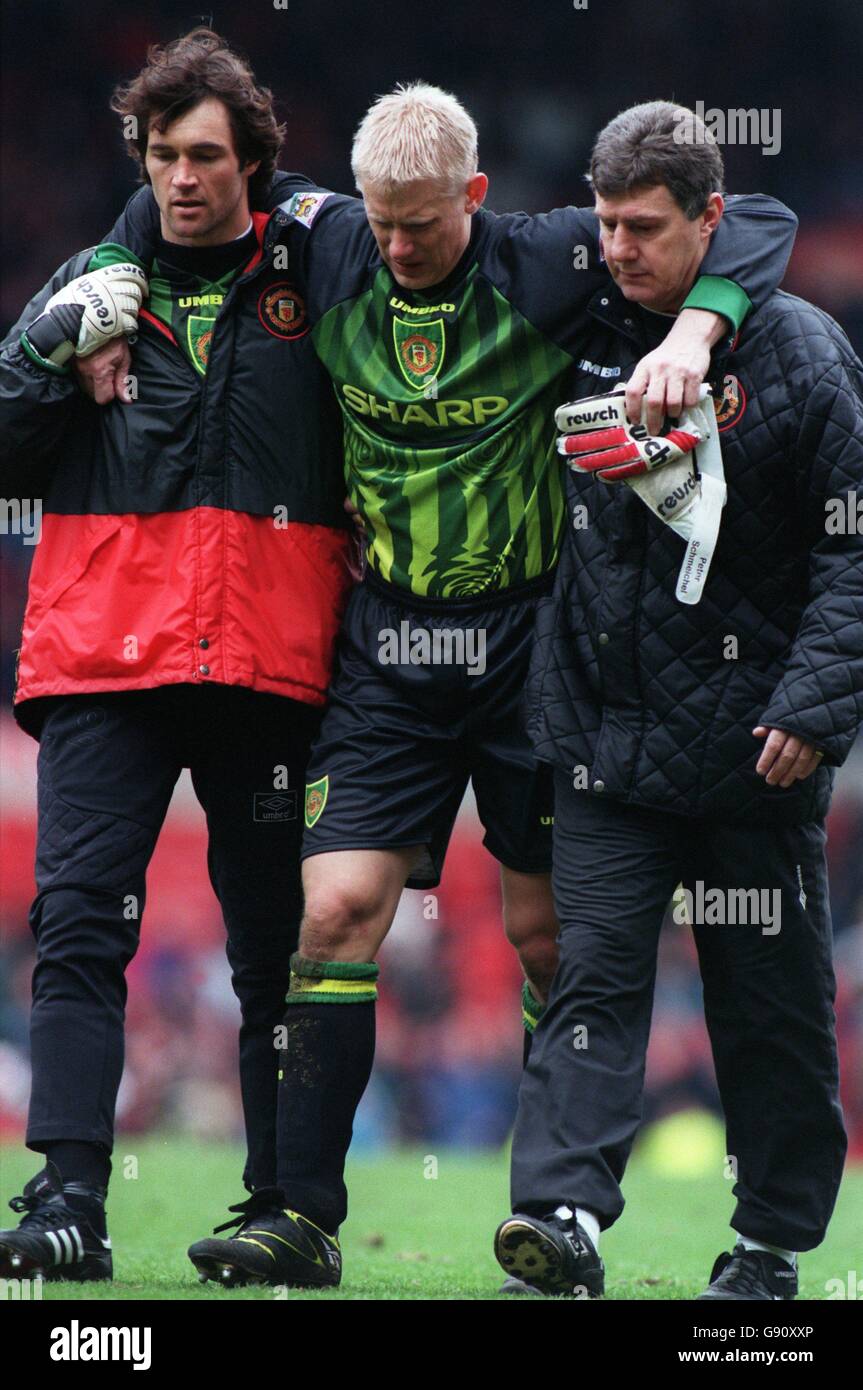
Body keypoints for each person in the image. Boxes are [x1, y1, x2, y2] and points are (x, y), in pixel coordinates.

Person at [115, 82, 797, 1289]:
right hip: (384, 649)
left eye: (421, 224)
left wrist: (694, 331)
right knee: (329, 914)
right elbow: (168, 205)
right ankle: (299, 1217)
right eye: (380, 221)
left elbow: (753, 223)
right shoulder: (325, 242)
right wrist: (101, 297)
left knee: (544, 941)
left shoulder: (545, 258)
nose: (394, 246)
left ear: (473, 199)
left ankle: (553, 1223)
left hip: (534, 649)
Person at [0, 29, 357, 1283]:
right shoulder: (86, 290)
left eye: (206, 155)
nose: (182, 177)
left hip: (266, 667)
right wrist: (46, 345)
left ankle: (280, 1211)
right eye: (161, 156)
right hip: (105, 663)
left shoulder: (318, 267)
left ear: (254, 163)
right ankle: (69, 1201)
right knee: (80, 927)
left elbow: (415, 245)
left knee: (275, 951)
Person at [493, 100, 863, 1301]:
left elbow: (850, 554)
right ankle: (558, 1218)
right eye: (603, 222)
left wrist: (813, 709)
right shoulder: (578, 317)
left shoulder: (803, 355)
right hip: (605, 731)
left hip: (757, 750)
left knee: (768, 1012)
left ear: (710, 223)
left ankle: (768, 1247)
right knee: (589, 976)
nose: (616, 249)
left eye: (643, 227)